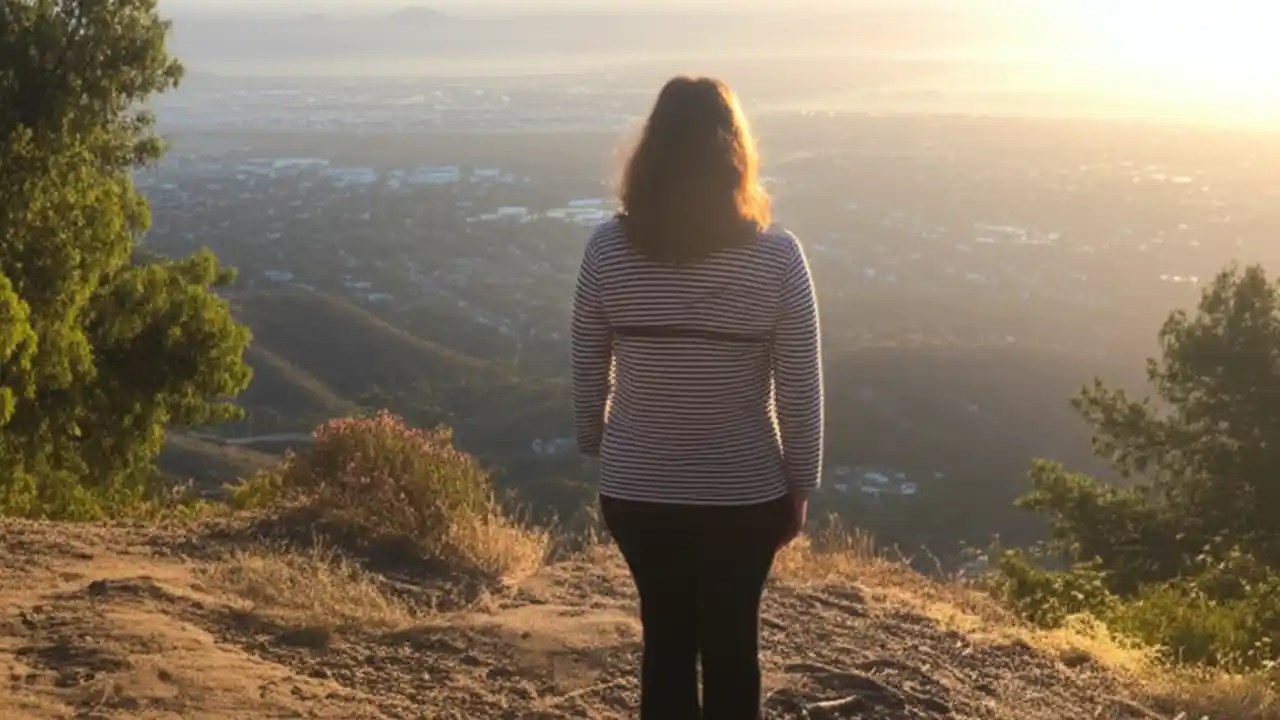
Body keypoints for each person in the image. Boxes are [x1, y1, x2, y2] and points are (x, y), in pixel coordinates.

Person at [570, 76, 824, 720]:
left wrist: (597, 442)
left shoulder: (607, 250)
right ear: (735, 155)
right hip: (743, 492)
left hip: (635, 489)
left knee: (666, 645)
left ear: (651, 152)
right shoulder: (777, 259)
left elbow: (586, 361)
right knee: (733, 649)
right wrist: (801, 485)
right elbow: (800, 386)